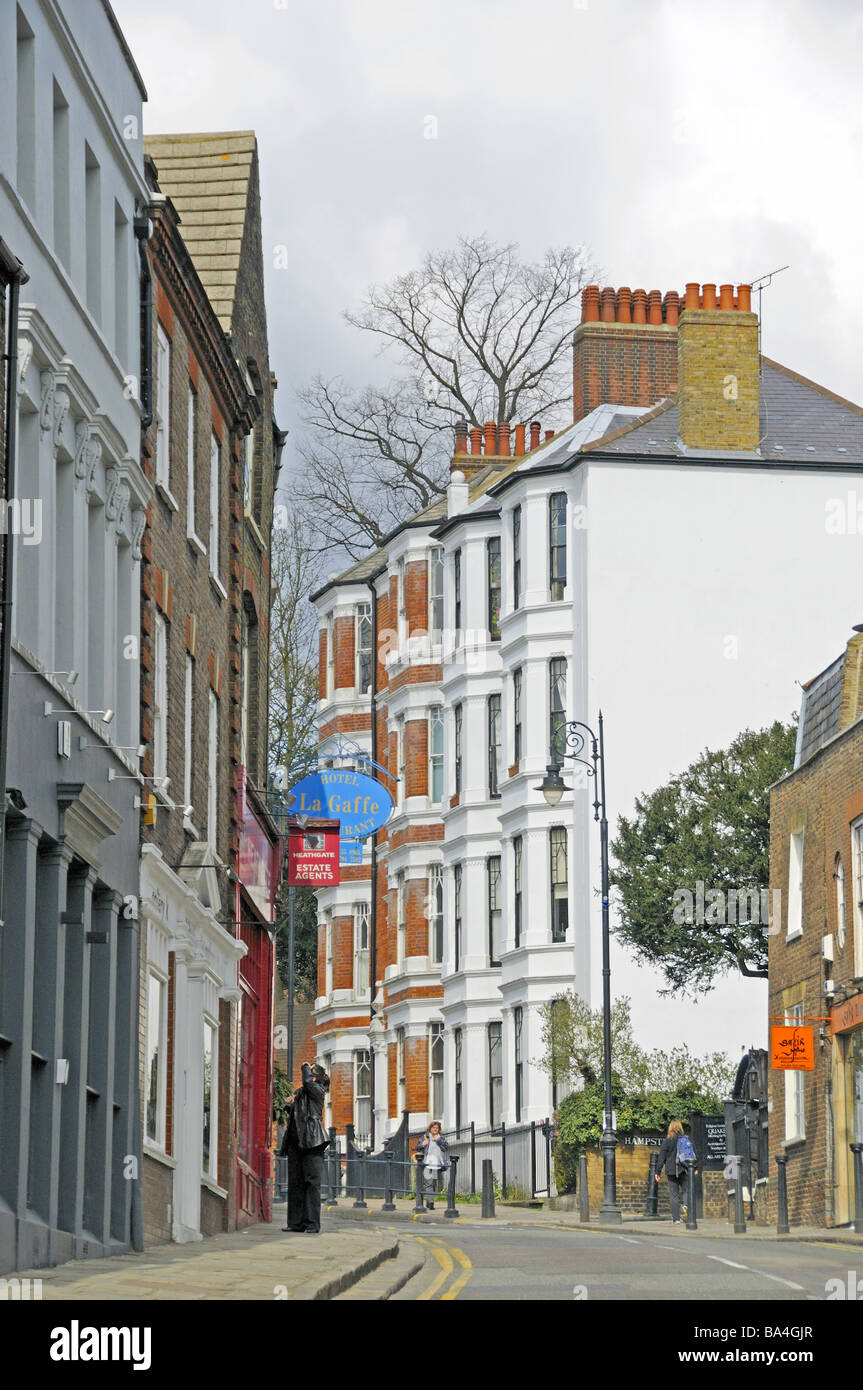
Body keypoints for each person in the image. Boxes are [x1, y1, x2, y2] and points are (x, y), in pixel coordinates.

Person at [280, 1061, 330, 1234]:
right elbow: (296, 1111)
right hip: (296, 1141)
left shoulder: (318, 1090)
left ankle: (312, 1224)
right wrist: (289, 1104)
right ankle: (296, 1223)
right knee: (295, 1183)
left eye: (312, 1069)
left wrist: (304, 1066)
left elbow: (308, 1082)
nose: (309, 1071)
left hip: (312, 1141)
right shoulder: (302, 1093)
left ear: (316, 1076)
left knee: (311, 1183)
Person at [654, 1119, 698, 1224]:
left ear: (670, 1128)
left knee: (674, 1195)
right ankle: (686, 1208)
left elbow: (661, 1158)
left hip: (671, 1171)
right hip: (684, 1169)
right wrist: (695, 1168)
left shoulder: (667, 1141)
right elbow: (693, 1154)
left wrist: (658, 1172)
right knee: (686, 1191)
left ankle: (676, 1219)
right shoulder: (686, 1140)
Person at [418, 1121, 449, 1210]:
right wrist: (422, 1144)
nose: (435, 1129)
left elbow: (446, 1147)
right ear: (430, 1129)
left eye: (437, 1128)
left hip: (438, 1164)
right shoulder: (425, 1137)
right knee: (429, 1184)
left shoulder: (441, 1138)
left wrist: (438, 1140)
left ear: (439, 1129)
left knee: (434, 1184)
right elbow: (417, 1147)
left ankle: (429, 1201)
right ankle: (430, 1203)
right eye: (433, 1128)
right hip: (428, 1164)